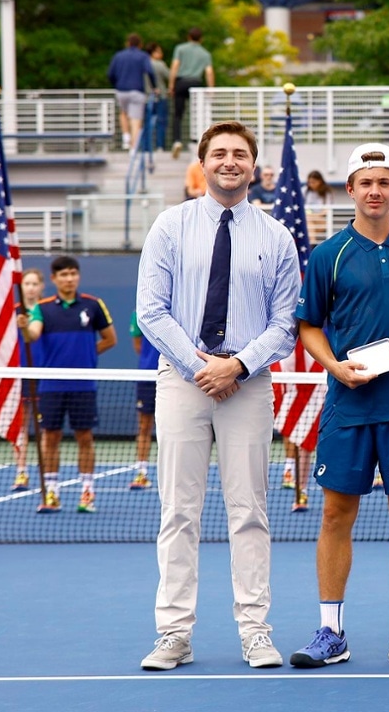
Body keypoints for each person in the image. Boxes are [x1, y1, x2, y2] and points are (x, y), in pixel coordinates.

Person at [136, 120, 300, 671]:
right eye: (220, 154)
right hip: (182, 385)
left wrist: (238, 366)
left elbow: (285, 325)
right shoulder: (169, 225)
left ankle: (255, 632)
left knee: (249, 511)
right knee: (178, 512)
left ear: (254, 166)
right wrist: (201, 368)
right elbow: (150, 310)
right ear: (203, 163)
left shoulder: (276, 236)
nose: (230, 162)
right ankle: (173, 635)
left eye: (241, 155)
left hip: (249, 388)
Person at [289, 142, 389, 669]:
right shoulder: (327, 255)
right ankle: (331, 631)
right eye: (365, 181)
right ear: (349, 190)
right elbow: (307, 327)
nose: (374, 190)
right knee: (335, 515)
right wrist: (335, 367)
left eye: (385, 181)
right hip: (348, 407)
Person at [23, 256, 117, 514]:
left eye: (73, 273)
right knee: (50, 437)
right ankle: (51, 492)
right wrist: (24, 327)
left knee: (84, 437)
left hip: (83, 385)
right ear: (54, 279)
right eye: (63, 275)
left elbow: (110, 339)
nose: (69, 278)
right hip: (51, 385)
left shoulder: (93, 305)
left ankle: (87, 492)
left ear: (78, 276)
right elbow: (33, 334)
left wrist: (87, 356)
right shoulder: (41, 308)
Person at [11, 268, 46, 491]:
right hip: (19, 375)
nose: (31, 288)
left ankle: (45, 473)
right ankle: (21, 472)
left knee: (43, 428)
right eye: (27, 284)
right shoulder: (13, 312)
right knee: (21, 426)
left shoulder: (47, 311)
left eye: (35, 284)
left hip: (44, 375)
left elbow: (35, 336)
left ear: (41, 286)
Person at [169, 27, 215, 159]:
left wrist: (171, 85)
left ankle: (177, 140)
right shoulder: (205, 54)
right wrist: (211, 89)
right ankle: (195, 140)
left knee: (178, 114)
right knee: (196, 113)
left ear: (188, 37)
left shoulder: (180, 49)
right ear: (201, 39)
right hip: (196, 83)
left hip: (181, 82)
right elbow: (209, 72)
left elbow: (175, 66)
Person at [107, 33, 157, 151]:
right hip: (137, 91)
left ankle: (126, 136)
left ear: (127, 43)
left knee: (123, 112)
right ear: (140, 45)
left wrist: (116, 84)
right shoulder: (143, 56)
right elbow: (150, 72)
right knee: (136, 120)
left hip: (121, 90)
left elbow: (110, 74)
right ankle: (133, 147)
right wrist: (154, 87)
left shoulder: (118, 56)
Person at [128, 311, 159, 490]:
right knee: (144, 426)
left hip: (175, 375)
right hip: (147, 376)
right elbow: (138, 345)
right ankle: (142, 472)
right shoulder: (139, 311)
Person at [145, 42, 171, 151]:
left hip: (146, 97)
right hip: (160, 96)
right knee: (161, 121)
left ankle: (146, 147)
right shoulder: (159, 64)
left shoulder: (144, 64)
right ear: (153, 52)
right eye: (159, 51)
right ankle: (160, 146)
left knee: (147, 123)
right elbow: (170, 75)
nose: (161, 54)